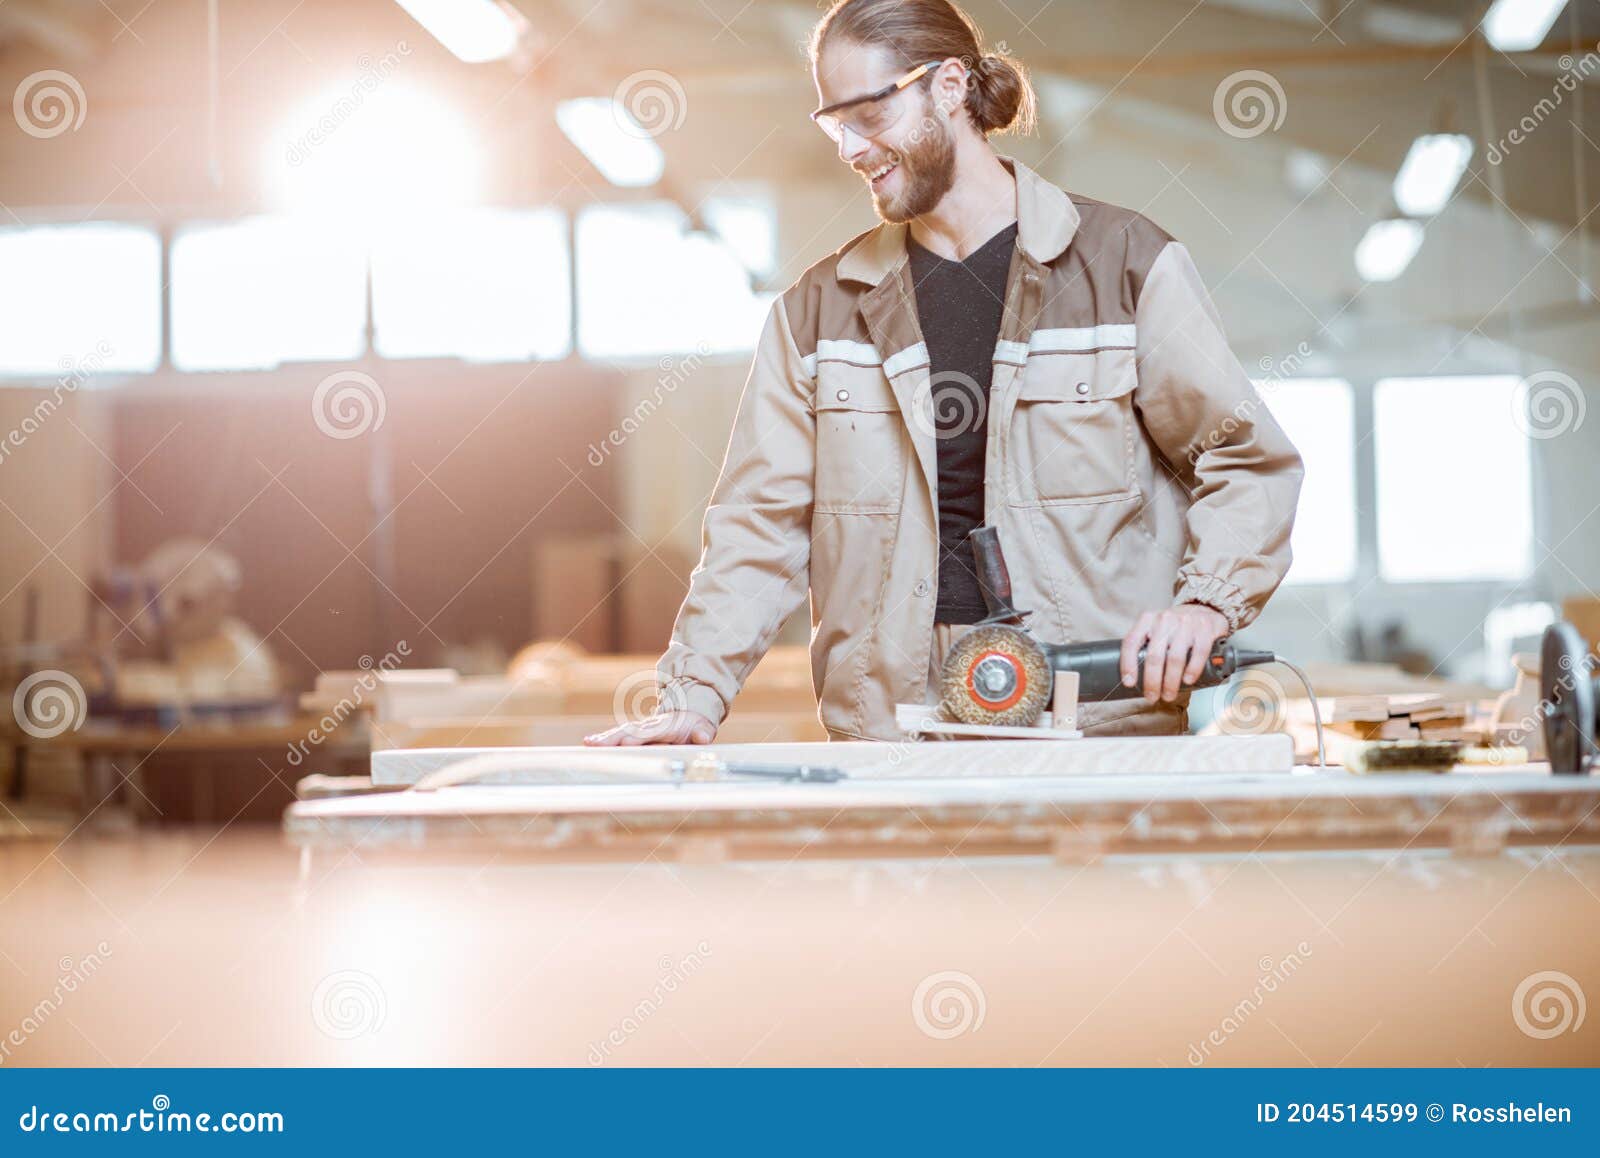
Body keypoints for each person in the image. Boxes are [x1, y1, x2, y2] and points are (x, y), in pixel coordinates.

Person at [586, 0, 1302, 747]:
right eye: (836, 124)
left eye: (869, 114)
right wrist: (693, 696)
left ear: (950, 87)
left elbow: (1242, 457)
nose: (851, 149)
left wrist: (1208, 603)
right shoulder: (819, 312)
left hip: (1097, 726)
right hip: (893, 737)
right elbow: (757, 529)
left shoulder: (1125, 266)